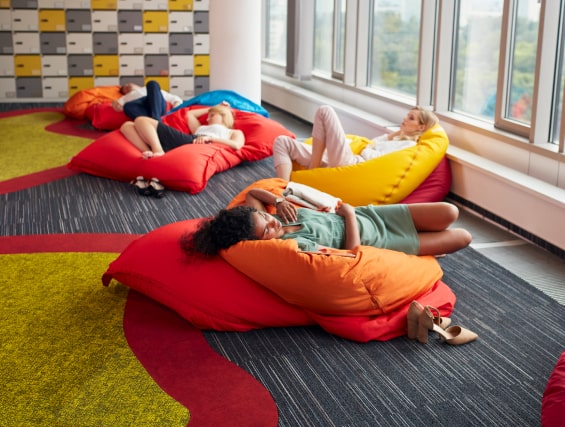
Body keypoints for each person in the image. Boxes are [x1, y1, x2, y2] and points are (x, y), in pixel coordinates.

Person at [181, 187, 472, 257]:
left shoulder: (272, 216)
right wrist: (349, 216)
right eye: (267, 230)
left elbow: (255, 194)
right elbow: (350, 254)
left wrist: (278, 202)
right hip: (381, 240)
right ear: (256, 241)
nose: (273, 224)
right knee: (463, 238)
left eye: (266, 217)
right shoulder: (294, 245)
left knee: (450, 212)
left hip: (372, 215)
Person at [273, 105, 439, 181]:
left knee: (325, 111)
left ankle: (313, 170)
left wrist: (366, 149)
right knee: (282, 141)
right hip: (341, 160)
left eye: (411, 118)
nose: (405, 118)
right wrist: (394, 134)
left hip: (352, 164)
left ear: (421, 127)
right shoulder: (397, 138)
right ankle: (283, 190)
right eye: (407, 115)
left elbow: (375, 157)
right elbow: (373, 143)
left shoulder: (409, 147)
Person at [120, 101, 246, 159]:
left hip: (196, 142)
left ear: (224, 115)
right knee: (126, 126)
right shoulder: (200, 128)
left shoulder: (233, 132)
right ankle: (150, 152)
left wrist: (210, 138)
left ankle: (158, 151)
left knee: (141, 119)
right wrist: (214, 107)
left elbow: (236, 145)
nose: (207, 119)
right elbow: (190, 114)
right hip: (189, 140)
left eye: (212, 115)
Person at [112, 80, 183, 121]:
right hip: (142, 108)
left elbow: (175, 99)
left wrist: (176, 107)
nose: (127, 87)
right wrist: (115, 103)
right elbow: (116, 105)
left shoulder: (149, 88)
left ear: (136, 85)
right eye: (124, 88)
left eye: (128, 84)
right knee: (127, 106)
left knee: (152, 83)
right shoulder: (126, 97)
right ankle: (154, 121)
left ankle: (156, 119)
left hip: (157, 104)